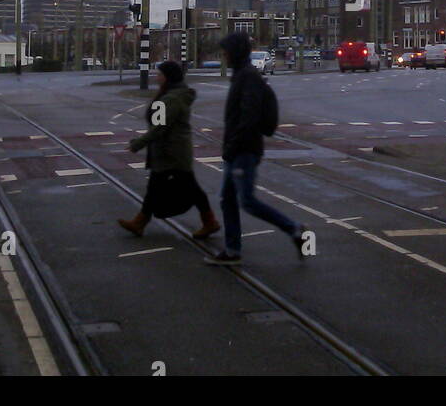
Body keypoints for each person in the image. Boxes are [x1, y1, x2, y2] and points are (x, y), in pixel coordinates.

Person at [206, 32, 308, 266]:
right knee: (228, 199)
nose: (223, 56)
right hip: (239, 148)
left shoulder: (247, 78)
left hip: (243, 149)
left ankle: (292, 228)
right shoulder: (243, 75)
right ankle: (232, 249)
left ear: (234, 53)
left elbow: (248, 116)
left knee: (246, 201)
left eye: (225, 52)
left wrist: (233, 145)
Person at [119, 61, 219, 239]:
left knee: (189, 187)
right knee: (158, 186)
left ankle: (209, 222)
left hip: (171, 153)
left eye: (159, 75)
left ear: (167, 77)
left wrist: (138, 144)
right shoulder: (174, 95)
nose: (156, 78)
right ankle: (140, 222)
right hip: (172, 151)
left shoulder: (169, 99)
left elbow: (158, 127)